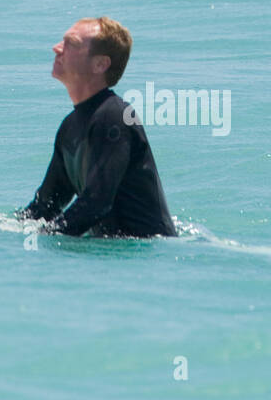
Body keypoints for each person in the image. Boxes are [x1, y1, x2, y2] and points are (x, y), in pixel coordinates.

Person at [16, 17, 176, 238]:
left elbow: (97, 203)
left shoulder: (115, 118)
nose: (56, 48)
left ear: (100, 64)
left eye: (70, 43)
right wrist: (0, 233)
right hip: (112, 257)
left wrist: (45, 236)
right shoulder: (69, 127)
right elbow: (45, 206)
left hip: (142, 257)